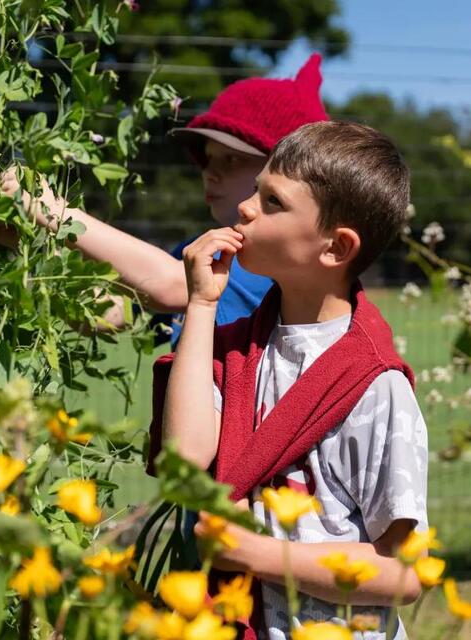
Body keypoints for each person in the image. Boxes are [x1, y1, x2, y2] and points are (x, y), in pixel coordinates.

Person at [150, 121, 429, 639]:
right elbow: (184, 460)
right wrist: (201, 304)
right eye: (256, 190)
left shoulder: (374, 386)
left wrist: (256, 555)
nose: (245, 208)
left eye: (272, 201)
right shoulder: (239, 348)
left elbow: (404, 574)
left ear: (335, 247)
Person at [0, 54, 328, 343]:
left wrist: (52, 210)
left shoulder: (274, 261)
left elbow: (171, 287)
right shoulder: (198, 249)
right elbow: (110, 315)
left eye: (231, 160)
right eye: (208, 159)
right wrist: (34, 250)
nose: (209, 173)